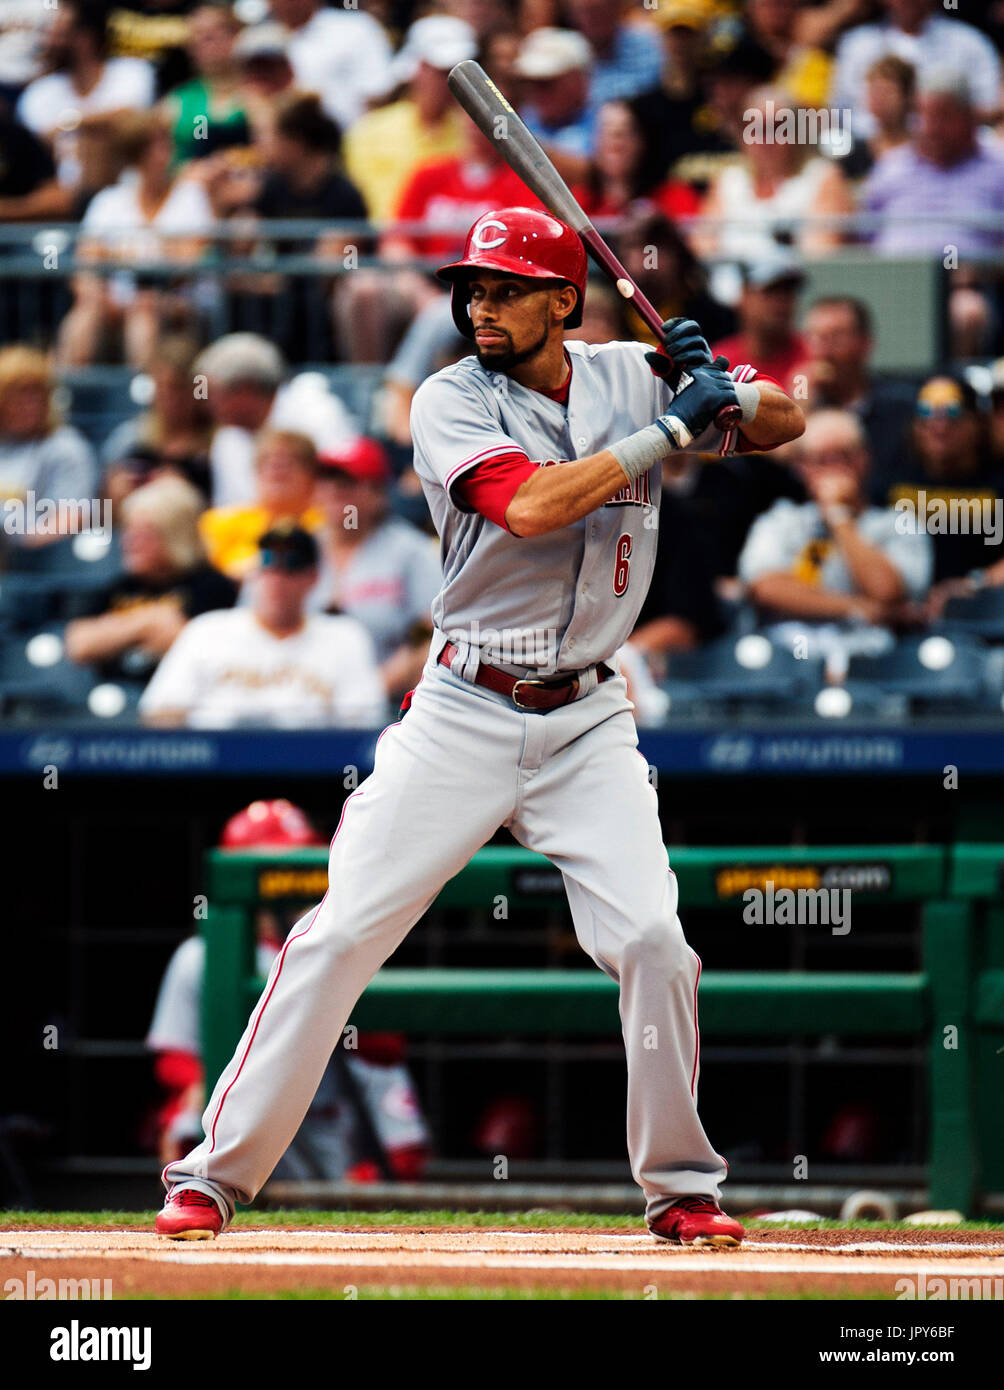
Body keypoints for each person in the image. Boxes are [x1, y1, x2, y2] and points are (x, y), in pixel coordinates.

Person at [153, 204, 803, 1245]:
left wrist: (720, 380)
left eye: (503, 288)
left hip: (590, 716)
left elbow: (785, 426)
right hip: (460, 707)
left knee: (652, 941)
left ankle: (680, 1186)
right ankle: (211, 1175)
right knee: (339, 932)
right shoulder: (448, 398)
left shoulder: (629, 375)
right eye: (472, 288)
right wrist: (675, 424)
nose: (479, 305)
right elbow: (537, 506)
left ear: (562, 299)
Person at [148, 798, 429, 1181]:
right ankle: (197, 1189)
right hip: (235, 1108)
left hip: (321, 1115)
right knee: (187, 1116)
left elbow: (385, 1052)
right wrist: (205, 1082)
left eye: (300, 858)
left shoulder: (343, 945)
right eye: (280, 862)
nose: (292, 877)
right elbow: (172, 1055)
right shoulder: (200, 955)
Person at [738, 408, 932, 678]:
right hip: (789, 660)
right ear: (801, 467)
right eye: (820, 460)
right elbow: (767, 588)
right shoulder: (780, 520)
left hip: (873, 663)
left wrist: (839, 518)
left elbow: (888, 592)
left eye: (843, 456)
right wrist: (859, 609)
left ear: (865, 459)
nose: (833, 468)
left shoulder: (897, 522)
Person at [139, 521, 386, 728]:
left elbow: (364, 725)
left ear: (312, 577)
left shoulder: (345, 637)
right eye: (267, 560)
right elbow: (158, 714)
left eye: (290, 564)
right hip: (213, 776)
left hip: (313, 777)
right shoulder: (207, 630)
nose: (276, 575)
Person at [58, 110, 215, 368]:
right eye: (155, 147)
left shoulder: (191, 196)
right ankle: (71, 393)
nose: (164, 154)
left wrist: (123, 257)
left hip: (180, 302)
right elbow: (86, 265)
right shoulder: (108, 201)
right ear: (135, 154)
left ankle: (141, 393)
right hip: (116, 302)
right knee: (86, 311)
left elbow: (188, 261)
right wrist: (103, 298)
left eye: (166, 144)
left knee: (144, 310)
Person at [64, 475, 237, 685]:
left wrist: (113, 631)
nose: (129, 542)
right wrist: (148, 623)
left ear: (176, 536)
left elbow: (198, 648)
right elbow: (79, 644)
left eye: (144, 534)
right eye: (128, 531)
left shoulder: (212, 586)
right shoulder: (120, 586)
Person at [309, 438, 441, 702]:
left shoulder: (409, 552)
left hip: (388, 706)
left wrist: (369, 692)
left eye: (348, 483)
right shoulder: (298, 548)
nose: (335, 490)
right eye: (327, 480)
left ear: (378, 492)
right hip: (299, 701)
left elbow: (432, 640)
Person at [695, 85, 853, 265]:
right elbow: (703, 251)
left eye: (779, 128)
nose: (767, 139)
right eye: (755, 128)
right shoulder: (728, 181)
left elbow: (820, 255)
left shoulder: (822, 177)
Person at [194, 332, 356, 507]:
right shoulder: (226, 439)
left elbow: (346, 488)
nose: (207, 406)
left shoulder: (317, 412)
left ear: (245, 390)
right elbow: (229, 509)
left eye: (214, 396)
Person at [342, 14, 475, 222]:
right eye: (440, 72)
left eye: (457, 74)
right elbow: (363, 209)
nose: (448, 83)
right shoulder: (370, 130)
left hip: (450, 247)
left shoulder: (474, 134)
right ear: (417, 69)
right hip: (382, 247)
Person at [859, 69, 1004, 259]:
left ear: (969, 118)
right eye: (922, 115)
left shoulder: (998, 168)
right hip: (893, 279)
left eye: (942, 116)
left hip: (971, 282)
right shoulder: (890, 167)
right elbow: (862, 238)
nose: (929, 128)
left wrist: (983, 272)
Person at [881, 376, 1004, 590]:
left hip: (983, 607)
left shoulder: (998, 483)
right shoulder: (890, 479)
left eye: (952, 413)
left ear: (976, 423)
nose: (939, 426)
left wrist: (973, 584)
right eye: (926, 412)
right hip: (904, 607)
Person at [16, 0, 155, 188]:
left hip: (125, 192)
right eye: (48, 34)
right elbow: (35, 146)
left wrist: (70, 123)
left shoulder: (132, 72)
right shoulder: (39, 94)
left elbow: (131, 118)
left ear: (86, 38)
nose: (50, 42)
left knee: (95, 145)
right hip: (58, 197)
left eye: (61, 34)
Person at [832, 0, 1001, 141]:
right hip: (867, 152)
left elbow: (990, 106)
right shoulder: (857, 43)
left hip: (950, 152)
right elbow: (840, 111)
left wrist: (942, 113)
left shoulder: (969, 42)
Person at [802, 295, 916, 491]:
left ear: (865, 344)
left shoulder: (901, 407)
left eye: (836, 338)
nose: (823, 352)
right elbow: (784, 463)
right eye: (815, 338)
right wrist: (800, 401)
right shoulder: (804, 396)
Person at [0, 345, 97, 546]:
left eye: (35, 395)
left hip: (33, 562)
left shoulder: (66, 448)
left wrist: (21, 545)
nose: (28, 406)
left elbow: (72, 517)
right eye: (17, 397)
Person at [101, 334, 214, 504]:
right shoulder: (130, 439)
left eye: (178, 388)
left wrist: (184, 491)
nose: (169, 398)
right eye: (161, 387)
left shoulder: (218, 446)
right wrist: (115, 493)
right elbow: (103, 513)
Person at [199, 429, 323, 581]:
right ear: (255, 472)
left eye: (289, 462)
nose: (277, 467)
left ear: (312, 475)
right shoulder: (220, 522)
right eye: (268, 461)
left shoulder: (326, 523)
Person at [265, 0, 392, 132]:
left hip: (348, 142)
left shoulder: (355, 28)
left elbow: (378, 94)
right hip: (279, 144)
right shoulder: (256, 36)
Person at [573, 97, 700, 223]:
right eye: (606, 129)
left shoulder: (676, 198)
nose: (616, 138)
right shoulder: (575, 204)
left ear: (644, 141)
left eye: (628, 130)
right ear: (593, 140)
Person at [710, 248, 810, 397]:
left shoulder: (812, 356)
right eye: (771, 291)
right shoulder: (719, 362)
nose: (781, 301)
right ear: (744, 294)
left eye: (788, 292)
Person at [165, 4, 250, 165]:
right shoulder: (181, 99)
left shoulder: (259, 89)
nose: (204, 44)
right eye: (196, 38)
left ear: (237, 35)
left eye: (212, 36)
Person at [565, 0, 662, 107]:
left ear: (617, 9)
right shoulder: (566, 51)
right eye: (585, 11)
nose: (593, 18)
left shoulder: (647, 44)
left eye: (599, 10)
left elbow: (652, 91)